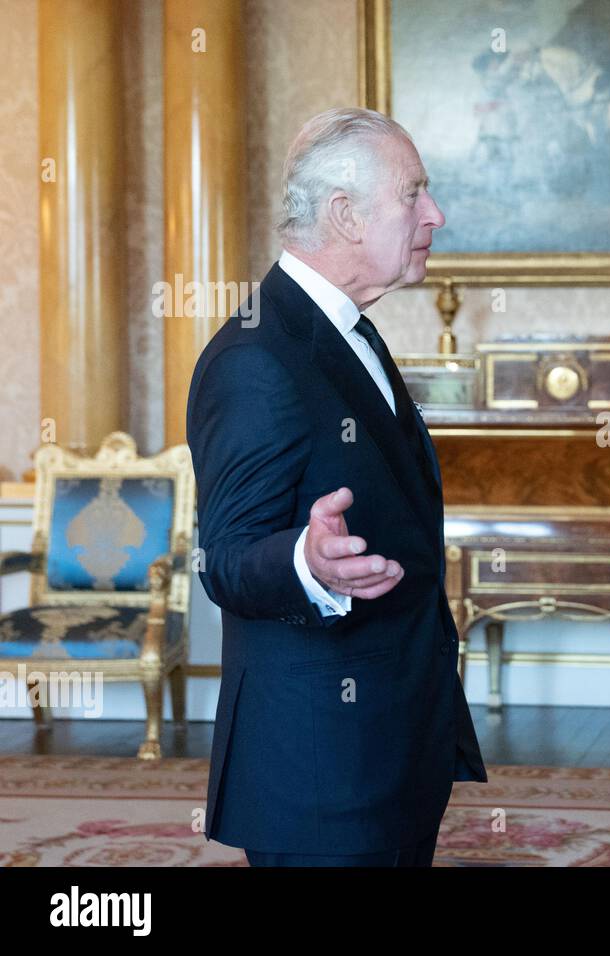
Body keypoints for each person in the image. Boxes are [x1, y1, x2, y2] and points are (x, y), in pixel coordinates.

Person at [188, 107, 486, 866]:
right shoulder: (256, 357)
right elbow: (225, 560)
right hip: (321, 768)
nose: (436, 214)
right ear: (345, 215)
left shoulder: (347, 327)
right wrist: (304, 563)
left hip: (389, 744)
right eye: (413, 194)